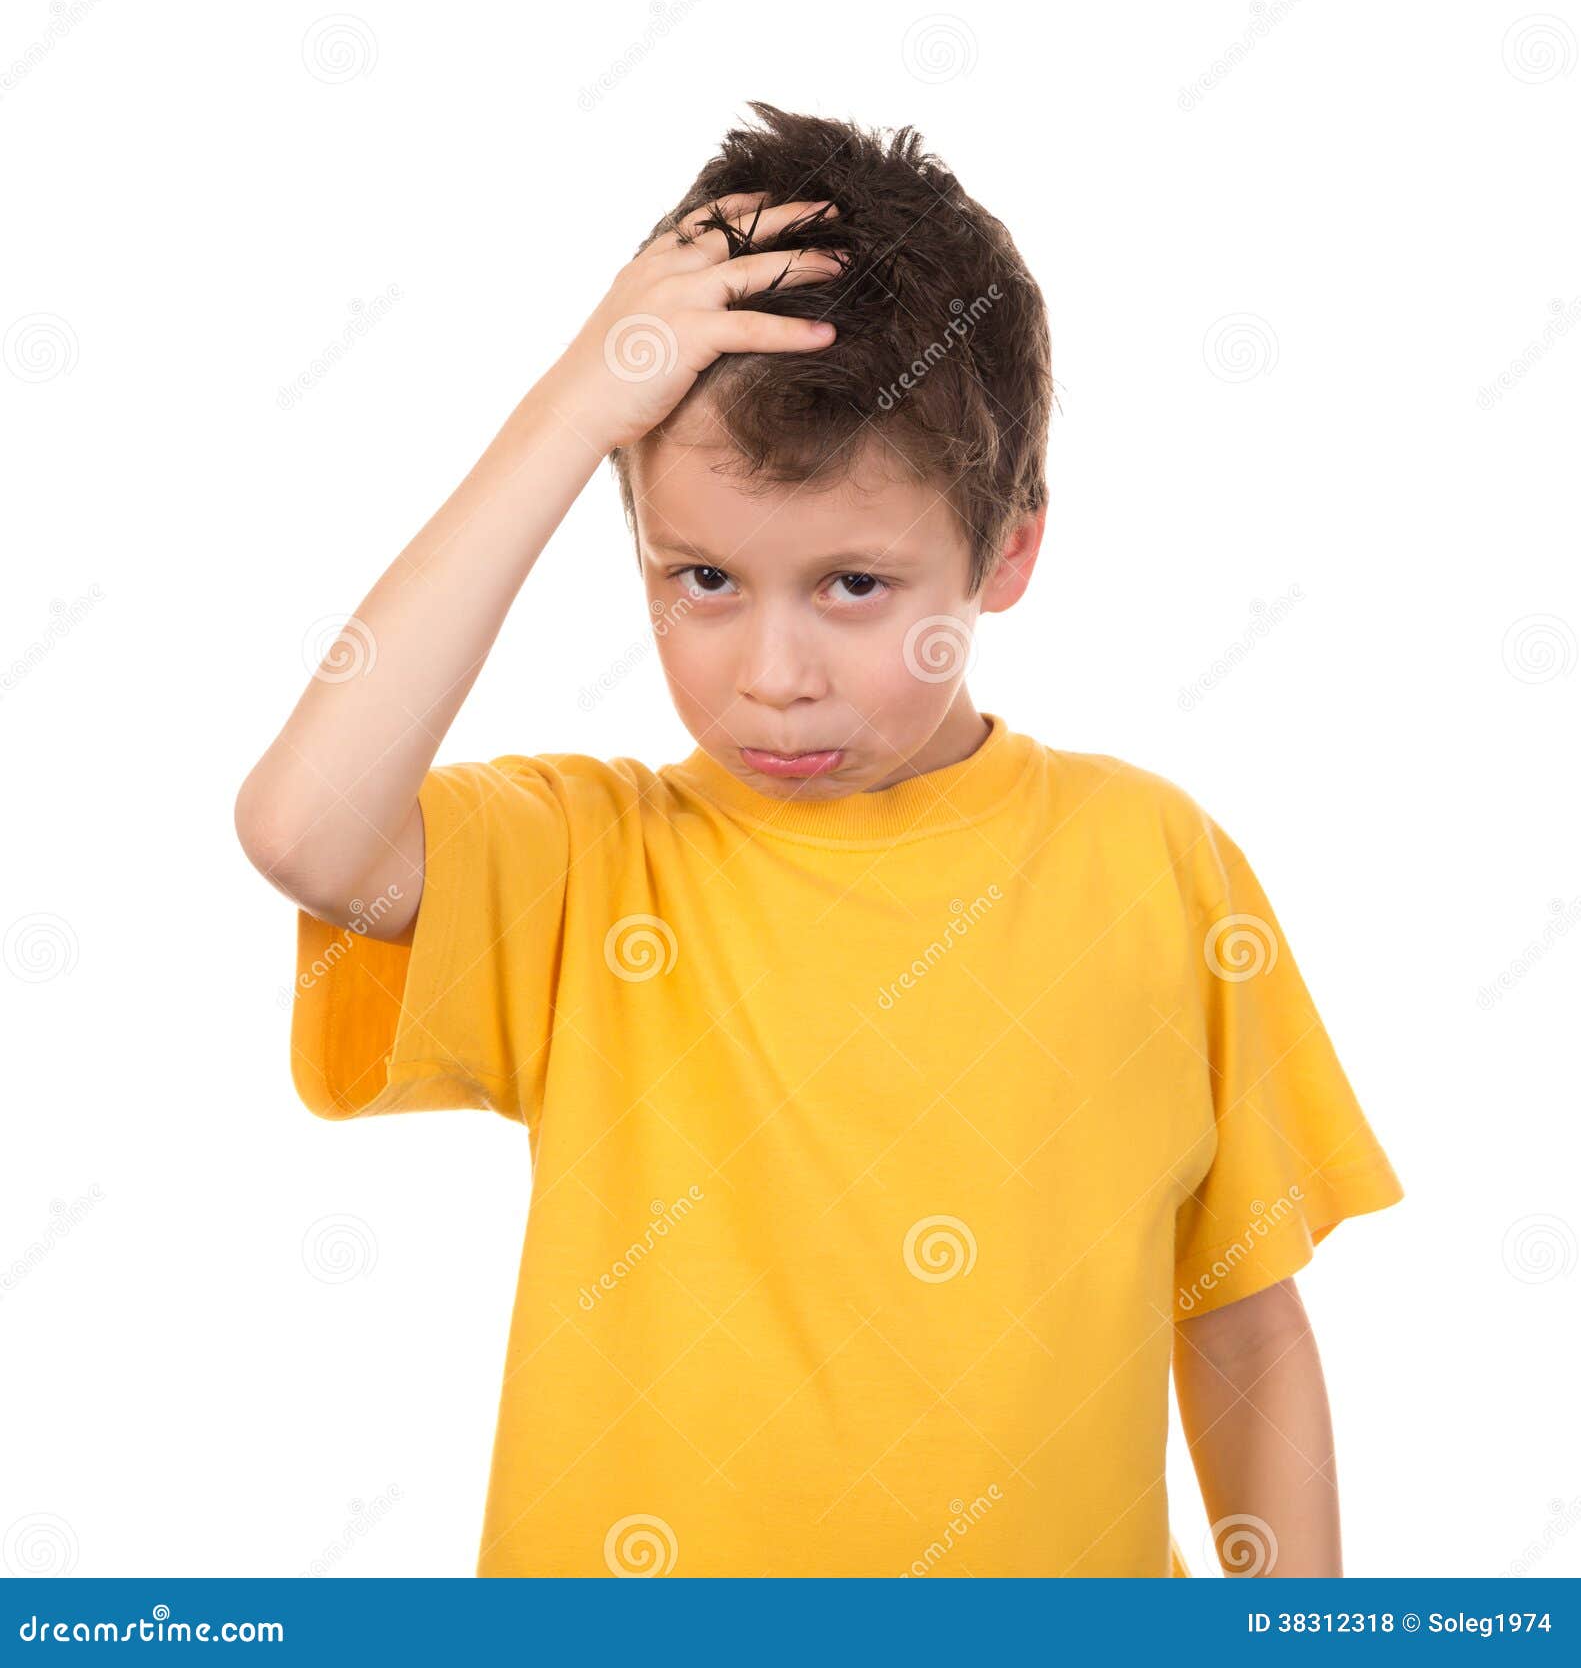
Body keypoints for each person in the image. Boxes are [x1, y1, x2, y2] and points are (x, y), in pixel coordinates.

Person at [234, 101, 1404, 1578]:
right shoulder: (591, 861)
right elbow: (301, 826)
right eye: (702, 574)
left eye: (852, 583)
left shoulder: (1153, 862)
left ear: (1008, 549)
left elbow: (1238, 1314)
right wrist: (574, 410)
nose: (770, 670)